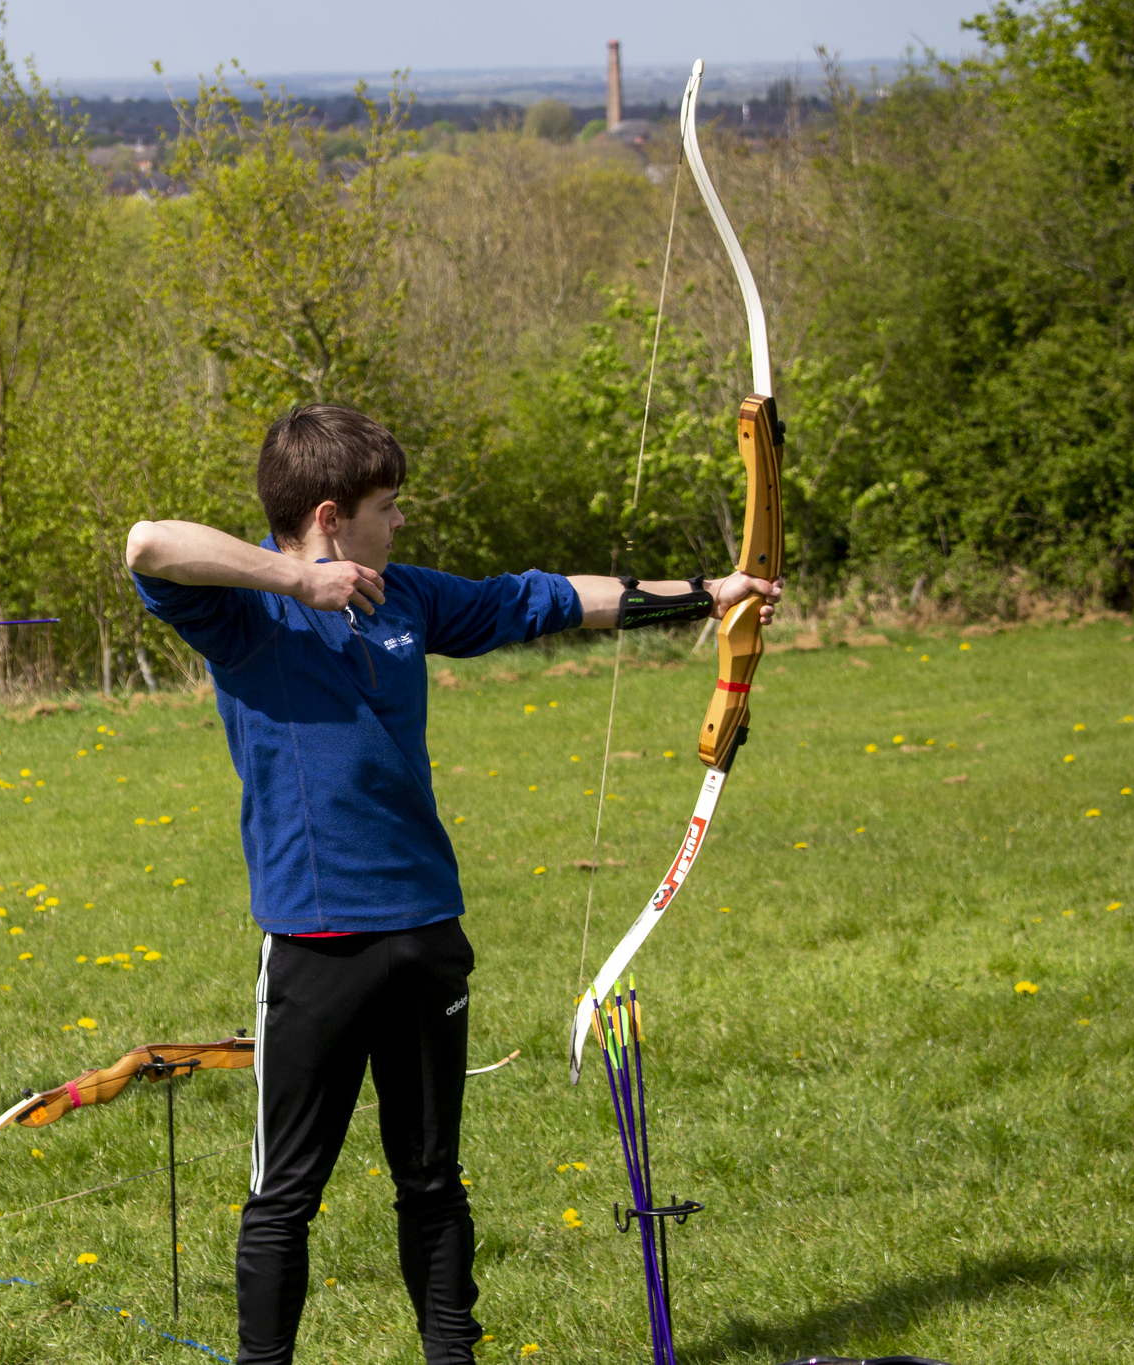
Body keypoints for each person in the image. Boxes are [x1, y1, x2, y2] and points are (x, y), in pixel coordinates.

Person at [124, 405, 778, 1365]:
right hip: (315, 941)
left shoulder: (404, 597)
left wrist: (710, 591)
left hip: (427, 931)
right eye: (387, 507)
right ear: (331, 514)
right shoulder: (242, 608)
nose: (400, 524)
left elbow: (540, 600)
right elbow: (149, 543)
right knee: (286, 1193)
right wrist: (298, 579)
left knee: (432, 1179)